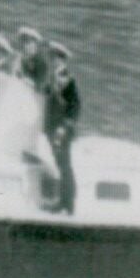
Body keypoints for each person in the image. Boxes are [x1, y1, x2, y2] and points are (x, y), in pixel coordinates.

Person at [43, 42, 82, 213]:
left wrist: (64, 128)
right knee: (60, 164)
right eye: (52, 58)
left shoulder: (68, 80)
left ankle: (68, 203)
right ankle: (64, 201)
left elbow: (75, 106)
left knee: (65, 165)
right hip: (52, 128)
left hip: (62, 130)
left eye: (57, 59)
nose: (54, 61)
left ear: (63, 60)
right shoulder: (53, 78)